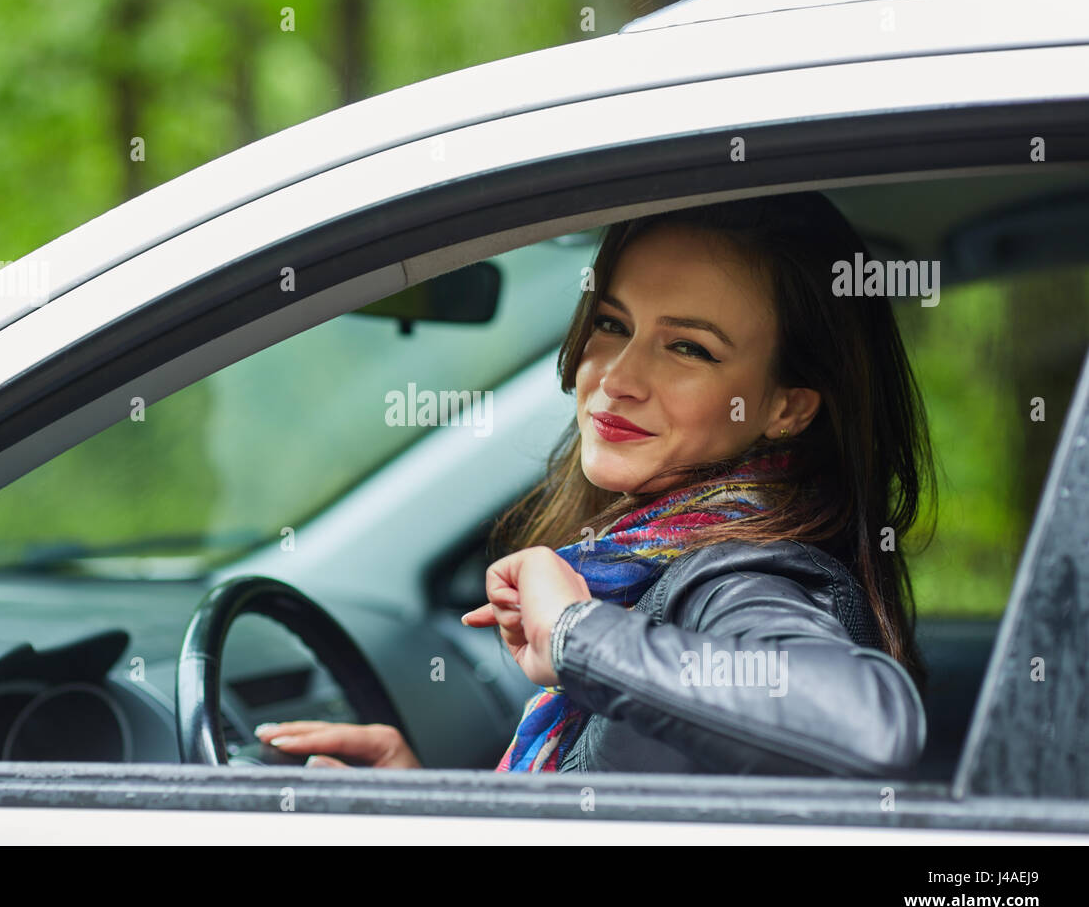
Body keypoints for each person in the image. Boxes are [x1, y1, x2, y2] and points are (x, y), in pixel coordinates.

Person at [255, 191, 934, 776]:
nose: (615, 378)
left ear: (788, 406)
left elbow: (870, 724)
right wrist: (427, 806)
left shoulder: (740, 583)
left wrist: (576, 635)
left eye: (688, 347)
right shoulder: (646, 563)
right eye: (612, 325)